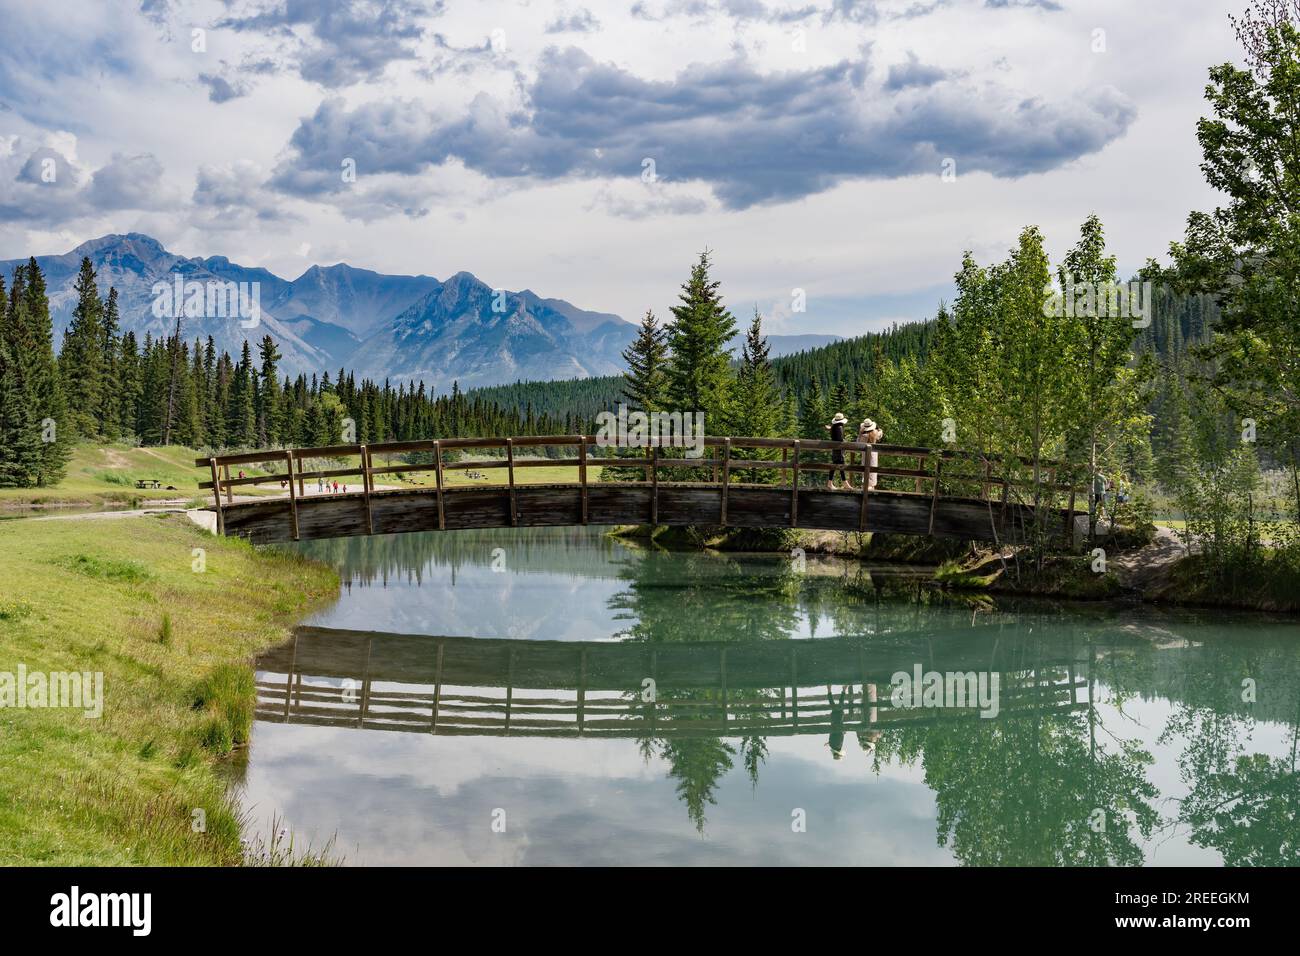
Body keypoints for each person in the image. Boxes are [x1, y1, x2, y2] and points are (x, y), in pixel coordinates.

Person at [825, 412, 849, 489]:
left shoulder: (834, 427)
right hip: (839, 450)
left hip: (835, 449)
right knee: (841, 465)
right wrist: (846, 442)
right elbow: (840, 440)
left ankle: (832, 483)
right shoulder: (839, 427)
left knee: (835, 465)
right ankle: (844, 483)